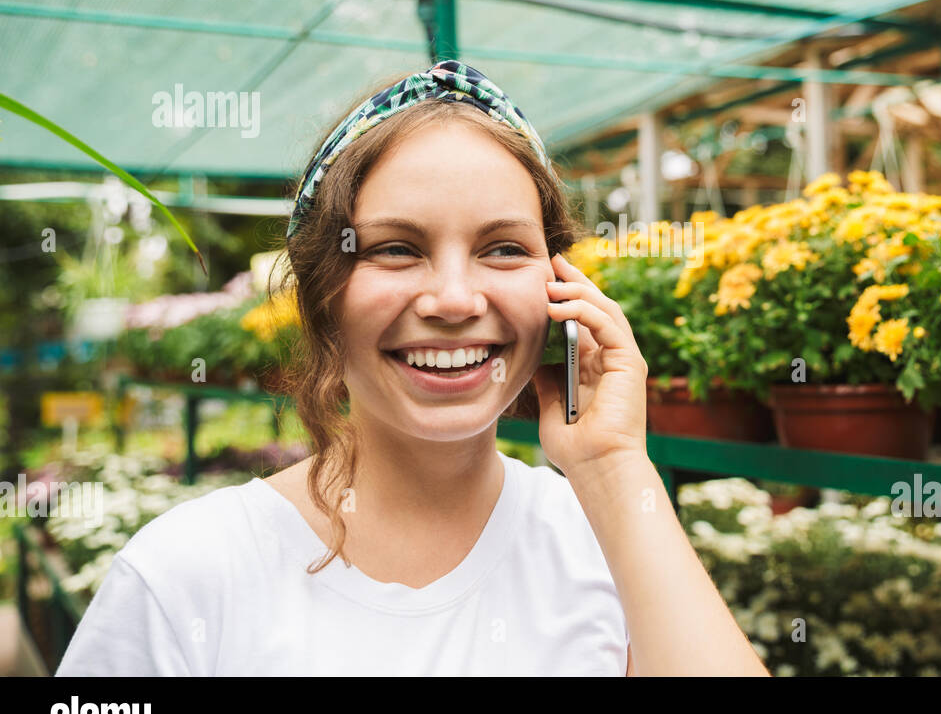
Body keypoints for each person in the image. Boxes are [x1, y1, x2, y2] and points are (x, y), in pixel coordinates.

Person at [55, 59, 769, 676]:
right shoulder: (185, 575)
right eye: (395, 248)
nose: (455, 300)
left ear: (561, 288)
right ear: (322, 296)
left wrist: (615, 469)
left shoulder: (609, 545)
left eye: (503, 249)